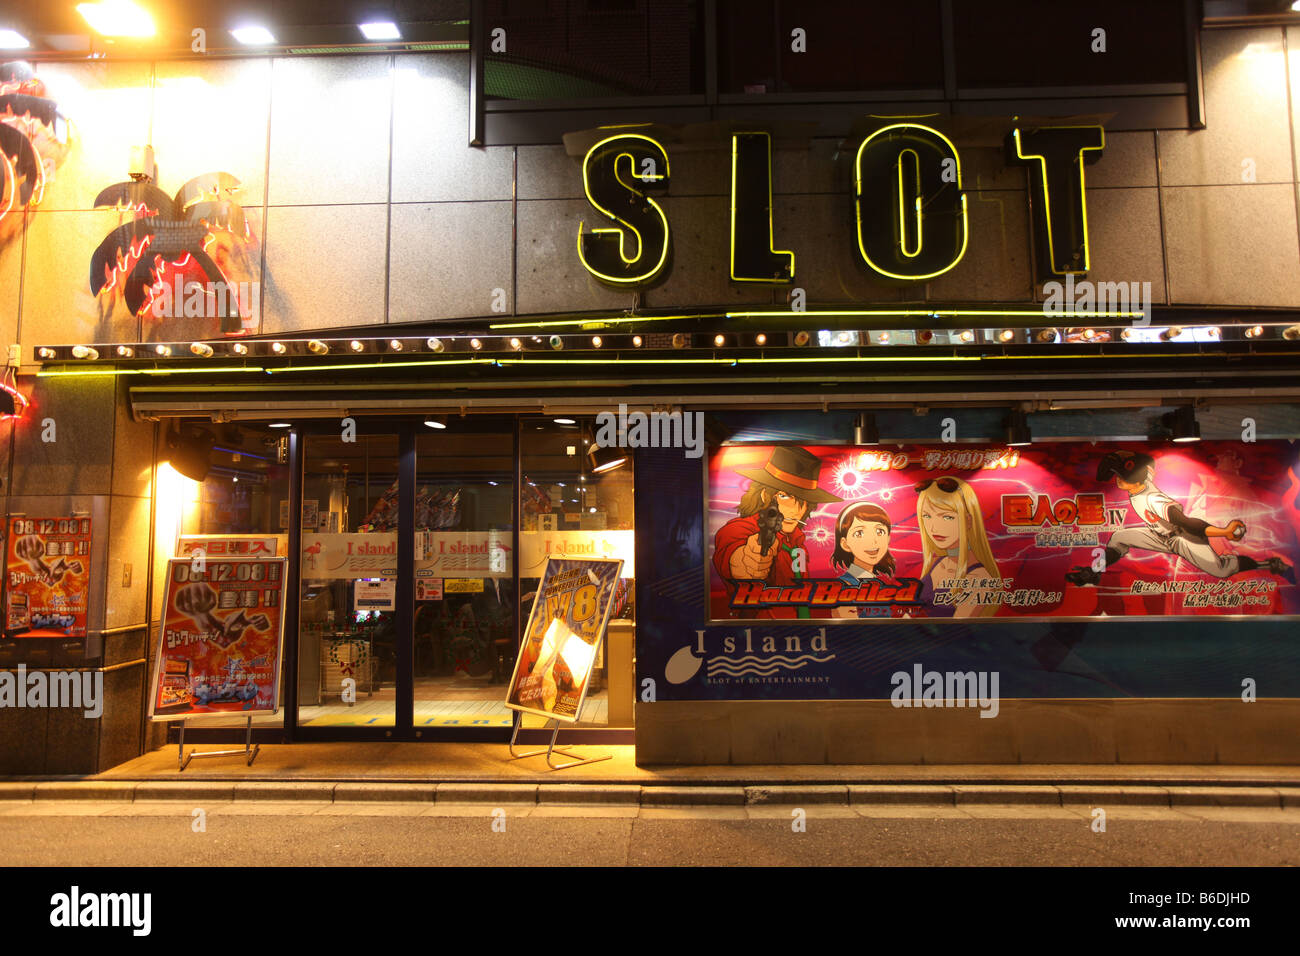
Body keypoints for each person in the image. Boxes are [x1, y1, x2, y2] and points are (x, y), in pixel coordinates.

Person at [1065, 450, 1295, 586]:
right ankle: (1095, 573)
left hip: (1184, 538)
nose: (1118, 481)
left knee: (1222, 571)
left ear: (1139, 477)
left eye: (1122, 476)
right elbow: (1143, 465)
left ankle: (1269, 564)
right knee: (1119, 538)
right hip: (1159, 535)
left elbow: (1186, 523)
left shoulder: (1152, 498)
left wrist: (1223, 532)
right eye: (1117, 476)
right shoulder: (1140, 483)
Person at [712, 446, 841, 618]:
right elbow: (737, 558)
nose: (795, 510)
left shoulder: (797, 543)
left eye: (803, 501)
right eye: (785, 496)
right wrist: (750, 558)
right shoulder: (739, 529)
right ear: (765, 496)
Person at [915, 476, 1001, 618]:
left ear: (968, 520)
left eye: (947, 517)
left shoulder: (978, 578)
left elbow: (958, 631)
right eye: (927, 516)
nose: (934, 528)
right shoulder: (938, 562)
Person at [830, 501, 898, 619]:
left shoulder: (880, 585)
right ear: (845, 544)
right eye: (859, 533)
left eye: (879, 532)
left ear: (888, 538)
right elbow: (849, 629)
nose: (872, 541)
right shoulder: (842, 587)